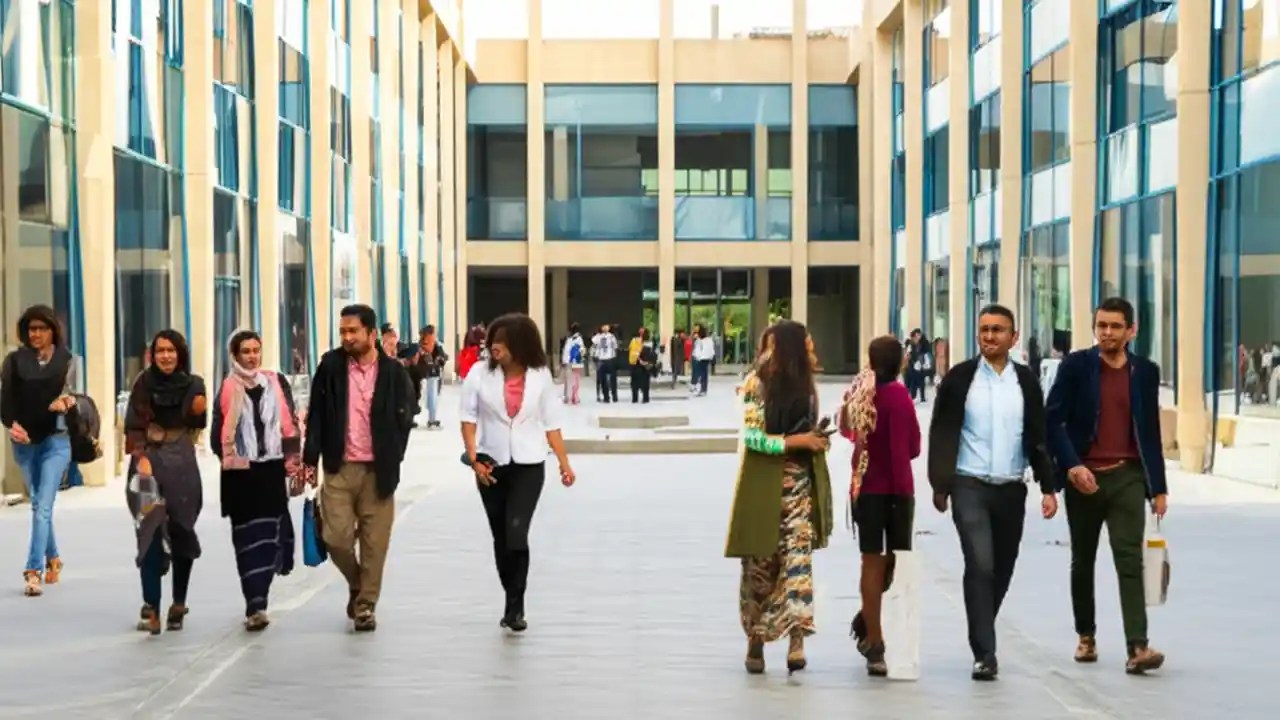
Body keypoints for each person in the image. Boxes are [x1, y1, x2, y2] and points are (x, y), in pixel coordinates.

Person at [927, 305, 1057, 680]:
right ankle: (984, 651)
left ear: (1013, 338)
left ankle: (982, 623)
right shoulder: (960, 379)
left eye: (998, 330)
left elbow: (1037, 436)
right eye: (984, 329)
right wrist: (940, 484)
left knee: (1001, 568)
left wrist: (1048, 487)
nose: (989, 336)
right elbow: (942, 430)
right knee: (980, 563)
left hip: (1011, 488)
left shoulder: (1026, 382)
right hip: (969, 484)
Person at [1046, 297, 1168, 675]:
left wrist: (1158, 486)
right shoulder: (1076, 367)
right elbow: (1053, 421)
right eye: (1101, 325)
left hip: (1128, 476)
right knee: (1083, 560)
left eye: (1116, 326)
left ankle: (1138, 646)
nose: (1107, 333)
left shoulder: (1145, 372)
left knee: (1128, 559)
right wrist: (1071, 467)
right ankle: (1086, 635)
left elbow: (1150, 431)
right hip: (1085, 479)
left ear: (1132, 331)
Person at [724, 321, 834, 675]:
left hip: (800, 487)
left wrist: (816, 438)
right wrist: (795, 442)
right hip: (765, 486)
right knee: (761, 565)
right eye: (808, 342)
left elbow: (805, 431)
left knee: (798, 564)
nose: (814, 348)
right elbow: (754, 438)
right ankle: (755, 638)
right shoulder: (756, 385)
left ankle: (796, 641)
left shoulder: (807, 386)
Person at [303, 304, 416, 632]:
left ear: (371, 333)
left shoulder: (393, 373)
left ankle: (365, 605)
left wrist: (395, 453)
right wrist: (311, 460)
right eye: (343, 332)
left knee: (374, 543)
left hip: (379, 471)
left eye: (353, 331)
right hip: (340, 466)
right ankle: (357, 584)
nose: (347, 337)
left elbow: (405, 416)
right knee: (335, 537)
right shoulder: (331, 366)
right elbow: (318, 415)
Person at [460, 313, 576, 633]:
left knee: (516, 534)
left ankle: (517, 606)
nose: (493, 347)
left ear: (519, 344)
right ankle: (510, 600)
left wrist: (564, 464)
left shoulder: (540, 376)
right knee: (500, 537)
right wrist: (473, 458)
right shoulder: (479, 373)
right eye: (492, 340)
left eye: (501, 341)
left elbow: (551, 423)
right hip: (490, 464)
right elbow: (467, 418)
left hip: (529, 464)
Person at [837, 335, 920, 677]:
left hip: (866, 489)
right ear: (901, 362)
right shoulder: (900, 398)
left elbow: (845, 430)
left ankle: (875, 642)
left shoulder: (860, 395)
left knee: (870, 561)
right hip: (898, 490)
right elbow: (913, 448)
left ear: (870, 362)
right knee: (897, 564)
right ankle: (879, 626)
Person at [211, 330, 302, 632]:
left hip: (272, 471)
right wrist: (237, 458)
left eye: (256, 350)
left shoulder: (275, 382)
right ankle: (255, 605)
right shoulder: (226, 390)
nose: (252, 356)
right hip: (241, 477)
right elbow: (216, 436)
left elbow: (290, 424)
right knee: (247, 542)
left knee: (272, 537)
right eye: (245, 351)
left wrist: (294, 465)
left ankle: (261, 594)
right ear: (234, 356)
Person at [124, 330, 208, 634]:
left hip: (182, 461)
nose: (166, 356)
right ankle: (151, 606)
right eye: (160, 351)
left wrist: (199, 410)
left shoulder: (194, 383)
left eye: (171, 350)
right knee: (148, 530)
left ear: (180, 353)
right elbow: (133, 425)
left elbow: (199, 423)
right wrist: (141, 457)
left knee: (182, 529)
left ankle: (178, 602)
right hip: (147, 462)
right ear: (153, 354)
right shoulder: (143, 384)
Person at [1, 305, 76, 597]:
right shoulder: (14, 361)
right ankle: (54, 557)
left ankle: (34, 571)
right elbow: (5, 400)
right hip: (25, 442)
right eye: (31, 329)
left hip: (57, 440)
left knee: (43, 506)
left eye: (41, 329)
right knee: (38, 506)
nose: (36, 334)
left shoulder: (67, 360)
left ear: (52, 330)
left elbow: (75, 394)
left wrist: (66, 402)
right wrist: (11, 425)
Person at [411, 325, 449, 429]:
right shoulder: (420, 345)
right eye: (434, 333)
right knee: (419, 395)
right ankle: (422, 420)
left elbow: (444, 356)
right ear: (430, 334)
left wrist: (440, 359)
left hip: (431, 373)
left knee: (431, 397)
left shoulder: (434, 344)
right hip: (423, 373)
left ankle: (431, 419)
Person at [591, 324, 619, 403]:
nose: (605, 328)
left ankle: (614, 396)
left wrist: (615, 358)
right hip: (601, 360)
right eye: (603, 326)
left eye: (607, 327)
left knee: (612, 379)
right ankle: (606, 397)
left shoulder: (611, 337)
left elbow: (615, 347)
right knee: (602, 380)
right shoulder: (598, 337)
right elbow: (593, 343)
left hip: (610, 359)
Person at [628, 327, 655, 404]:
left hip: (645, 364)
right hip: (635, 363)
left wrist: (646, 362)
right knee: (634, 382)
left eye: (642, 332)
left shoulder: (649, 342)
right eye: (640, 332)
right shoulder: (634, 341)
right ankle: (635, 398)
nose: (641, 333)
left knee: (645, 382)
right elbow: (632, 350)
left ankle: (645, 398)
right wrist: (639, 359)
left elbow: (650, 353)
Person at [560, 323, 585, 405]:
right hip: (576, 361)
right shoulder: (578, 339)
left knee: (570, 380)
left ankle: (570, 397)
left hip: (569, 362)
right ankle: (574, 397)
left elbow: (566, 351)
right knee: (575, 380)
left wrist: (564, 361)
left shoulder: (571, 339)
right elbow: (582, 351)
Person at [691, 325, 714, 396]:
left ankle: (703, 390)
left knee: (702, 374)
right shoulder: (700, 339)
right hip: (701, 358)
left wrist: (699, 357)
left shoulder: (705, 340)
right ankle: (702, 389)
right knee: (702, 374)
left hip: (702, 358)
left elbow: (705, 350)